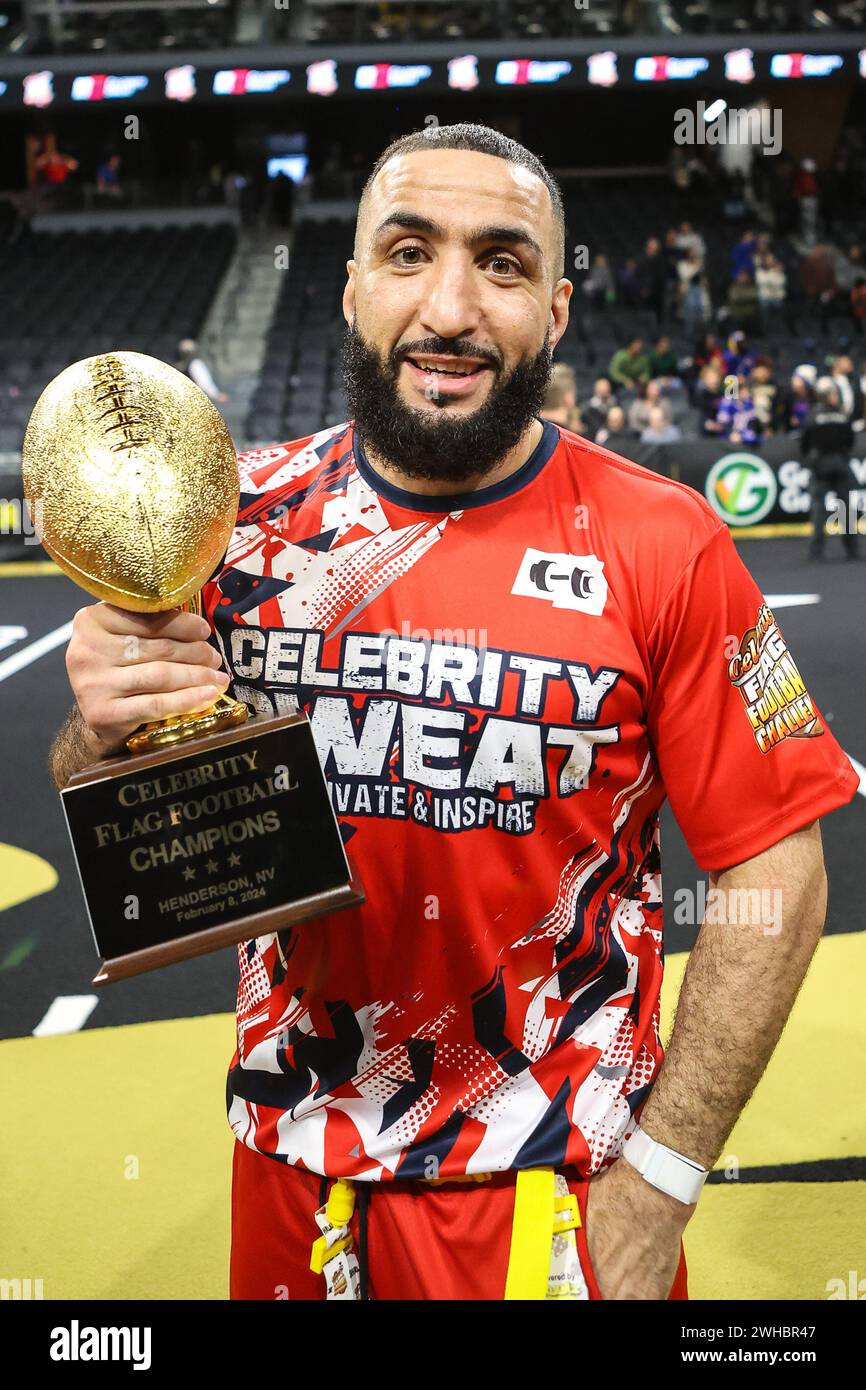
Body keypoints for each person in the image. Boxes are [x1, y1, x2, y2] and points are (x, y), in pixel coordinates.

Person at [48, 122, 858, 1303]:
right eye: (409, 251)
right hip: (290, 1176)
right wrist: (103, 729)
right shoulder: (231, 520)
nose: (449, 306)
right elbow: (136, 852)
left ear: (560, 310)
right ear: (352, 284)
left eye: (501, 262)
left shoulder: (661, 539)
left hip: (559, 1196)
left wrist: (663, 1178)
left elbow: (775, 871)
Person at [800, 378, 859, 561]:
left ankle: (816, 552)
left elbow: (804, 444)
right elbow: (850, 441)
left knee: (818, 509)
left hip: (820, 467)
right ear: (829, 395)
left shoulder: (812, 417)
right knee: (846, 509)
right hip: (840, 464)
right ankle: (852, 550)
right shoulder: (842, 416)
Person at [173, 337, 229, 403]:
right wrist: (216, 395)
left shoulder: (177, 365)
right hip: (192, 399)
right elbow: (203, 382)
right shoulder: (195, 364)